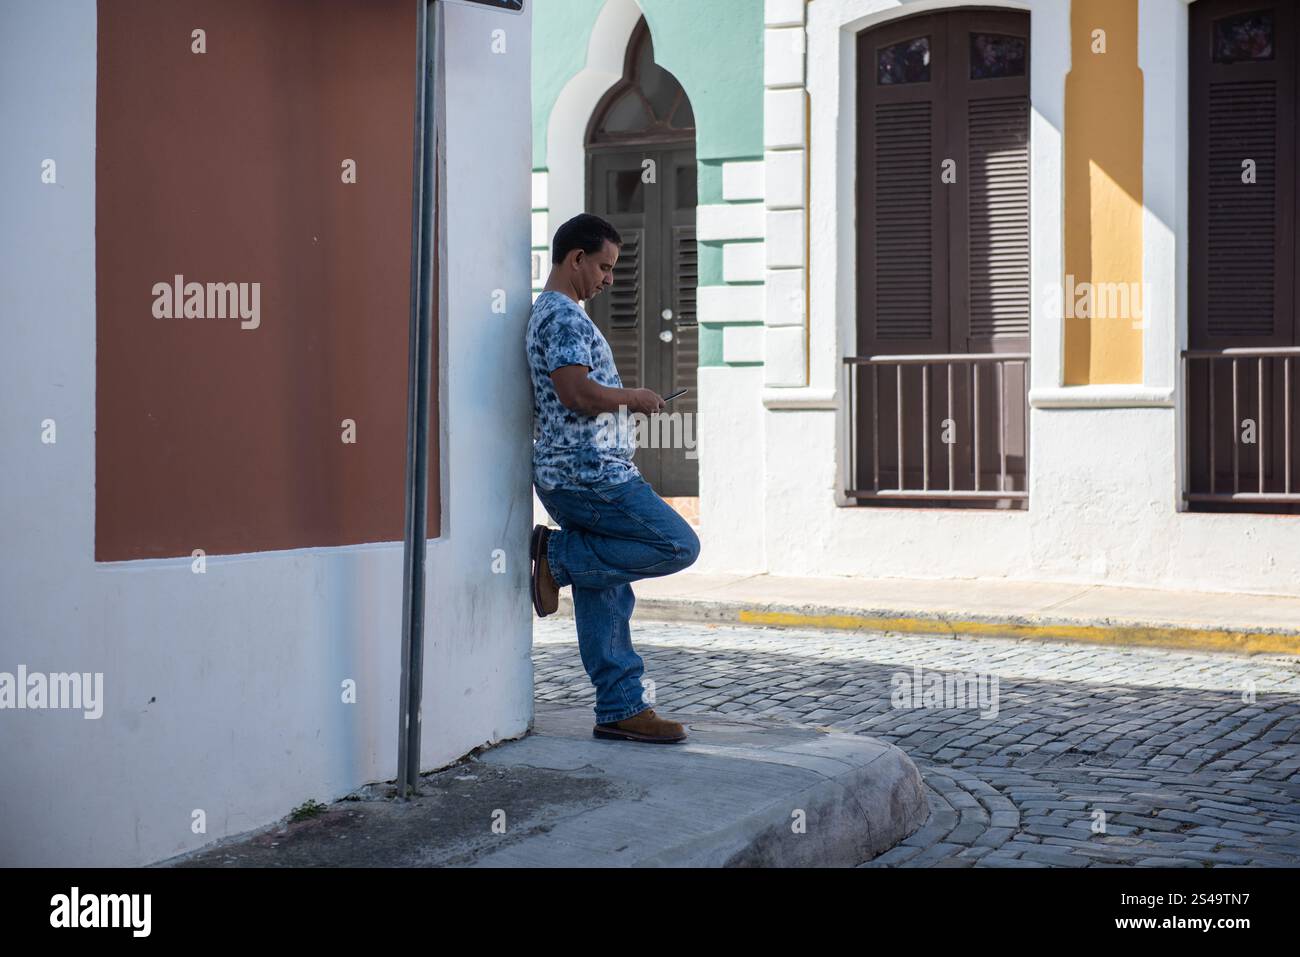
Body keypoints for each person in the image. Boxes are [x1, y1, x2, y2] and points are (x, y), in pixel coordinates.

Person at [525, 213, 700, 744]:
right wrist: (636, 397)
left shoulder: (560, 314)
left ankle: (620, 706)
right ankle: (556, 559)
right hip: (589, 475)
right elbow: (576, 393)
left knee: (607, 585)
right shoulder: (562, 318)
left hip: (582, 472)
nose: (609, 279)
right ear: (575, 258)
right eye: (604, 267)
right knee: (677, 544)